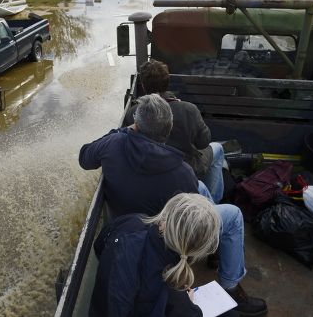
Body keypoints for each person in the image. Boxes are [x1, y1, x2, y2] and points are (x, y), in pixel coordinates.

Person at [80, 94, 267, 316]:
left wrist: (121, 132)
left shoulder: (113, 143)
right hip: (170, 234)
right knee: (233, 215)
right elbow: (190, 222)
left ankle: (214, 244)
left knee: (201, 190)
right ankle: (230, 286)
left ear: (136, 125)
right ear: (167, 132)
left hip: (132, 224)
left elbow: (85, 157)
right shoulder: (181, 172)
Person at [90, 193, 221, 317]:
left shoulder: (132, 221)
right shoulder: (176, 291)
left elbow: (99, 246)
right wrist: (190, 304)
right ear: (199, 249)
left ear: (166, 215)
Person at [124, 59, 225, 203]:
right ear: (167, 82)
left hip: (150, 171)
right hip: (188, 168)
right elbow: (204, 142)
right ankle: (212, 202)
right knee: (218, 148)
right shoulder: (189, 109)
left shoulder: (134, 113)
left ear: (143, 86)